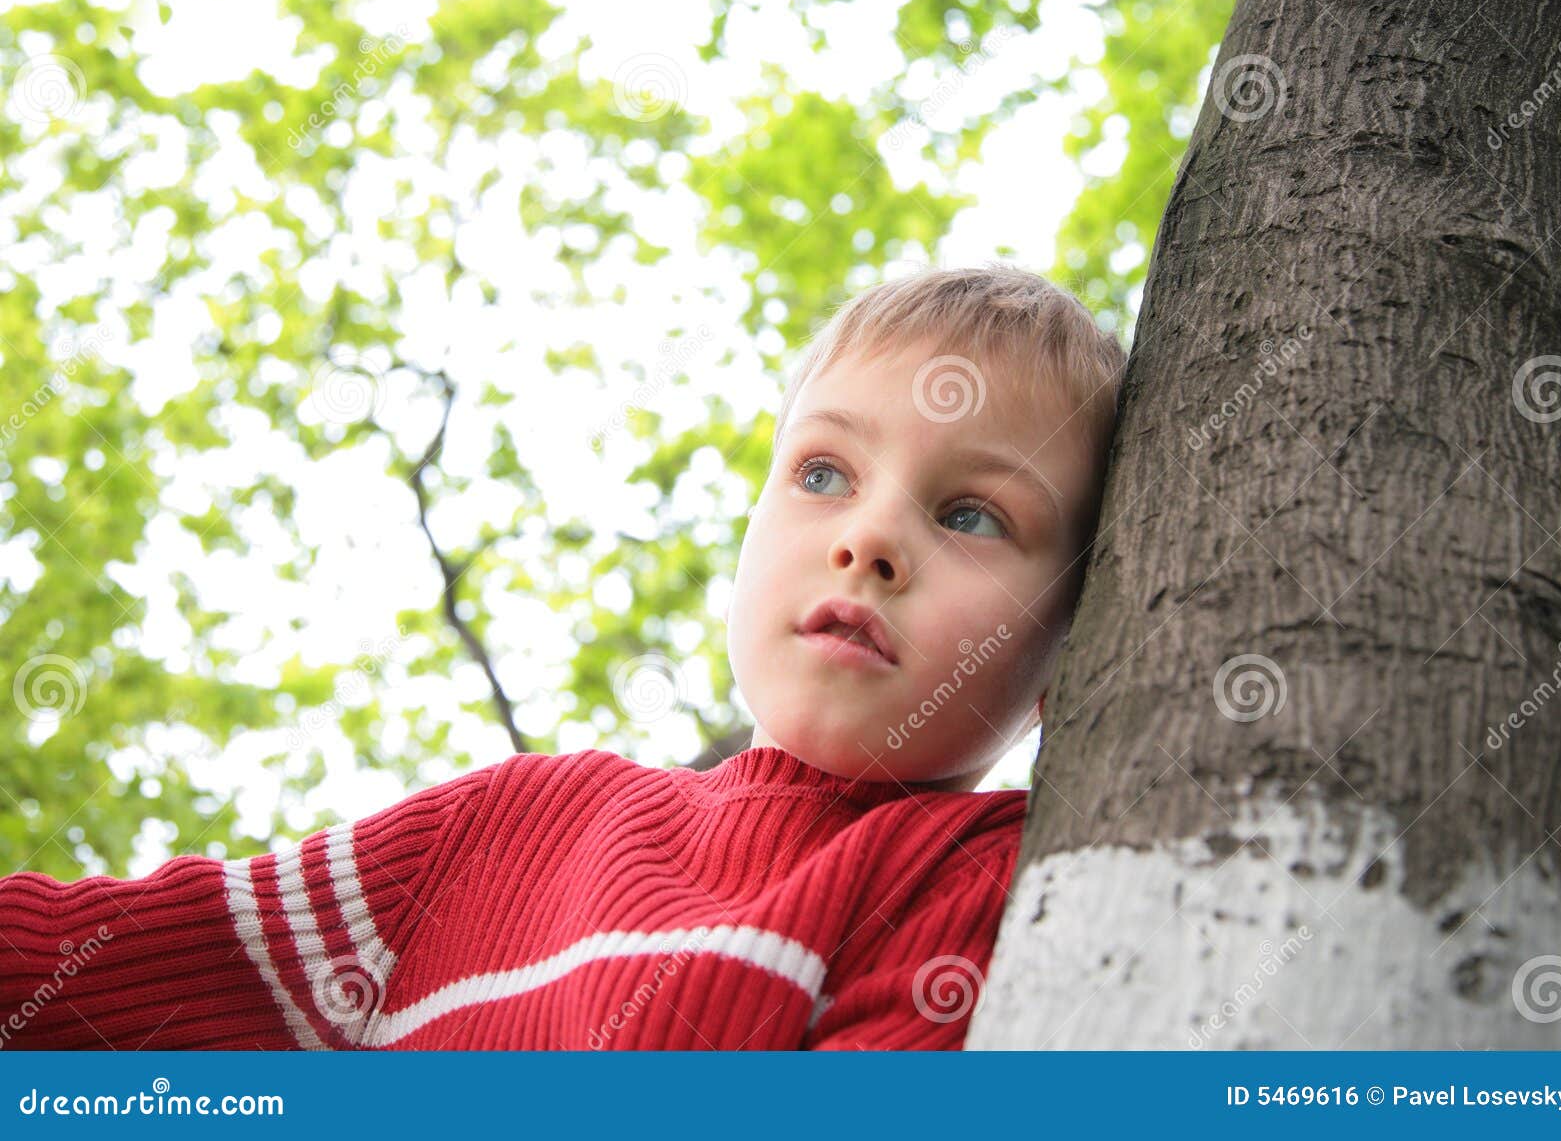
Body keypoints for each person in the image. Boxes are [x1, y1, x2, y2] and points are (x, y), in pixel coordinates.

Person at [0, 263, 1125, 1050]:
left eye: (971, 514)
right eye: (823, 472)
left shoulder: (982, 877)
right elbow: (95, 971)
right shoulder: (506, 826)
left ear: (1061, 656)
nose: (869, 537)